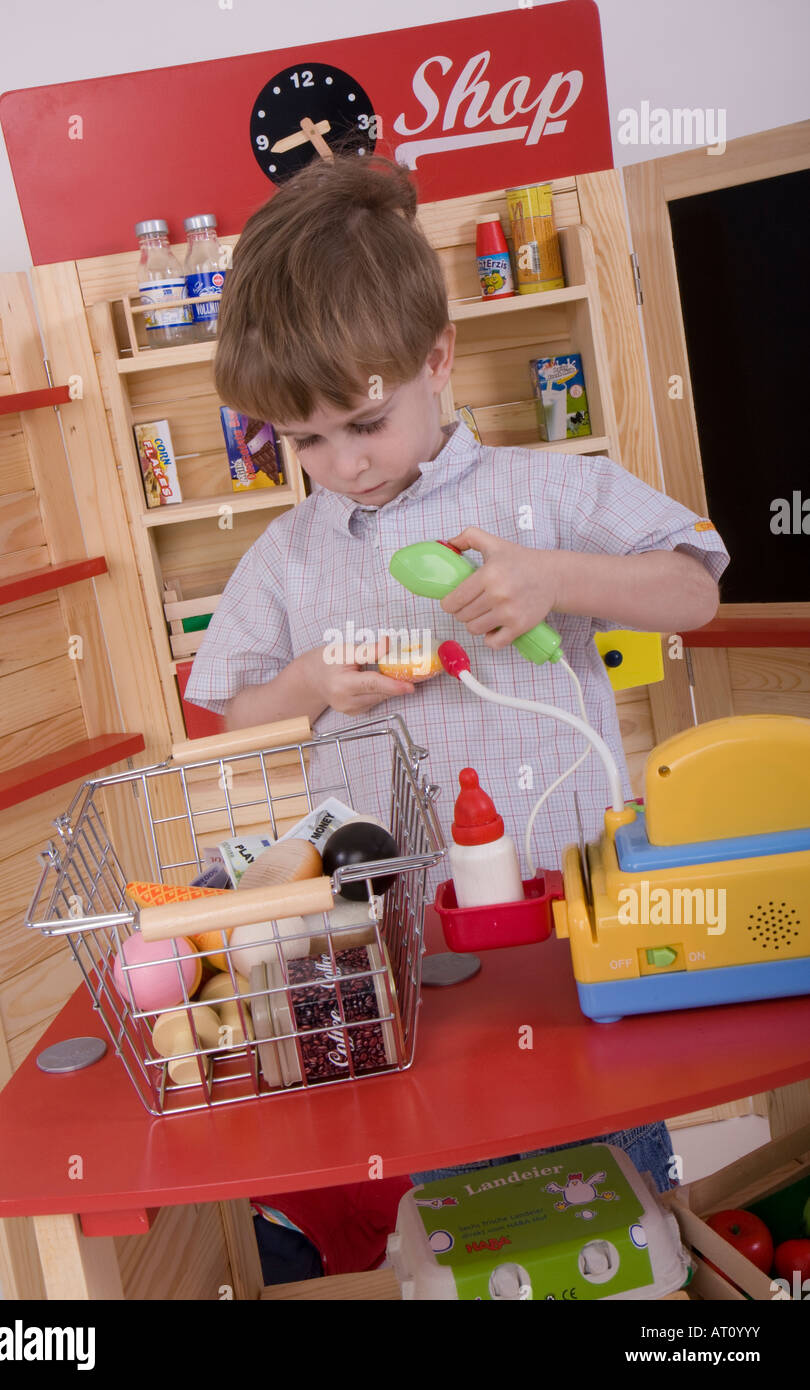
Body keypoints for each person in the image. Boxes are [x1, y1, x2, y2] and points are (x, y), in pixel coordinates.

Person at [186, 153, 728, 1208]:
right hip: (400, 944)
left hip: (569, 923)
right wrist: (310, 681)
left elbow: (693, 590)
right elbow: (231, 705)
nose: (343, 462)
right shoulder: (291, 552)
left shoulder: (541, 489)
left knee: (614, 1178)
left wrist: (553, 579)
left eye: (364, 421)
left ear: (437, 358)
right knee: (452, 1197)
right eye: (305, 438)